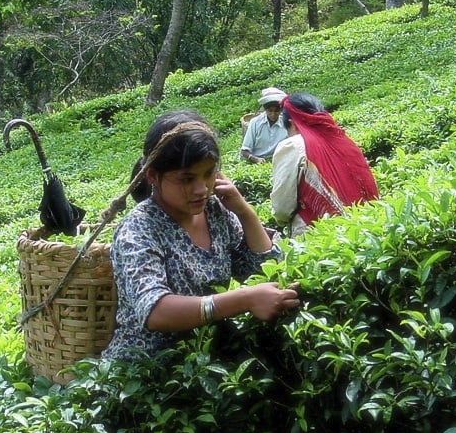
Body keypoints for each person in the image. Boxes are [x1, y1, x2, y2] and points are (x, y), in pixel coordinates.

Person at [101, 110, 301, 361]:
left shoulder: (215, 210)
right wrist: (244, 299)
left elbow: (262, 269)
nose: (201, 189)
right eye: (186, 179)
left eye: (208, 174)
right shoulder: (138, 230)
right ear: (153, 175)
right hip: (148, 371)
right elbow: (156, 311)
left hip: (205, 359)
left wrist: (244, 211)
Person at [270, 92, 379, 236]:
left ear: (291, 123)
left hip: (319, 232)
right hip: (366, 226)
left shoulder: (293, 145)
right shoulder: (344, 140)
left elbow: (282, 207)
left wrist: (281, 220)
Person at [240, 87, 289, 163]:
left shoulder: (285, 123)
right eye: (270, 111)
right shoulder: (255, 123)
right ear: (265, 110)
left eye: (276, 111)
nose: (273, 114)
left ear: (280, 111)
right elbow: (244, 150)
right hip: (257, 161)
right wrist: (255, 159)